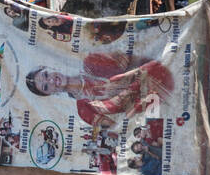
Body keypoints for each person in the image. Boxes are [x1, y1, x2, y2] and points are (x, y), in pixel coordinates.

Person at [25, 51, 175, 129]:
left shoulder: (91, 62)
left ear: (51, 68)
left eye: (46, 74)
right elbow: (119, 128)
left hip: (164, 74)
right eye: (45, 86)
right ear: (50, 93)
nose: (51, 80)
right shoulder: (85, 110)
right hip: (157, 109)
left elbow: (133, 58)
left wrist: (124, 79)